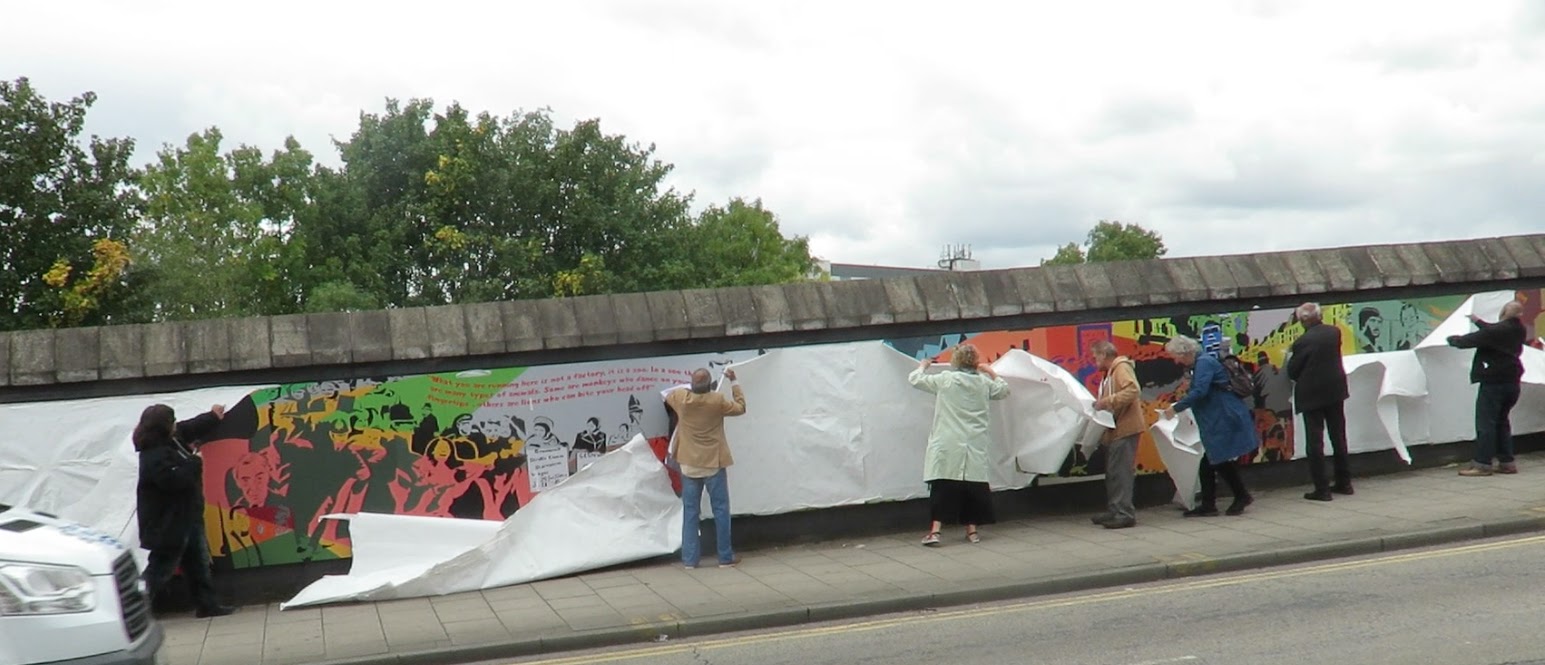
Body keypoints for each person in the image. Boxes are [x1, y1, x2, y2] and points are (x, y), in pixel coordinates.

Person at [134, 403, 236, 618]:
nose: (175, 425)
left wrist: (212, 417)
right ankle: (133, 609)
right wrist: (194, 462)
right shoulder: (154, 454)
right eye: (171, 422)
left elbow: (190, 427)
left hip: (185, 517)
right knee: (159, 570)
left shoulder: (171, 439)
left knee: (197, 563)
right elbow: (172, 481)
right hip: (168, 524)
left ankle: (207, 604)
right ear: (163, 427)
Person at [907, 344, 1010, 545]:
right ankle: (972, 532)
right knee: (971, 486)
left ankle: (935, 532)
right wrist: (990, 371)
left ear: (956, 361)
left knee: (943, 487)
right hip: (974, 442)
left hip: (948, 441)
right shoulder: (983, 383)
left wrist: (923, 366)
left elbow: (915, 380)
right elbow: (1003, 390)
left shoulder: (946, 379)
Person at [1162, 336, 1259, 517]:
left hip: (1223, 416)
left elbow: (1200, 391)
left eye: (1176, 355)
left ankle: (1231, 498)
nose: (1175, 360)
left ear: (1185, 352)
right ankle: (1222, 500)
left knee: (1215, 459)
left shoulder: (1204, 363)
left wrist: (1176, 408)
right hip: (1217, 416)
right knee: (1215, 460)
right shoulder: (1200, 363)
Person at [665, 367, 747, 568]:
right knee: (720, 510)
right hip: (713, 463)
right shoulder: (717, 401)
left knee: (690, 512)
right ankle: (725, 557)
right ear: (710, 385)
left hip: (689, 466)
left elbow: (668, 396)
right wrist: (734, 381)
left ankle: (690, 560)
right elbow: (740, 407)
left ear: (692, 386)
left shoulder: (681, 400)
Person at [1448, 301, 1528, 476]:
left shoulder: (1496, 332)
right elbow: (1492, 331)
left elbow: (1467, 341)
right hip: (1512, 382)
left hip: (1494, 383)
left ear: (1503, 313)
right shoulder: (1519, 329)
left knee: (1486, 424)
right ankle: (1507, 462)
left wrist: (1451, 339)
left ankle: (1482, 464)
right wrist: (1477, 321)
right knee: (1502, 422)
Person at [1286, 302, 1354, 501]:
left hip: (1312, 395)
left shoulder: (1301, 343)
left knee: (1315, 442)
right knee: (1338, 436)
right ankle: (1345, 482)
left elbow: (1293, 371)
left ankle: (1322, 489)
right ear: (1320, 316)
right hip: (1335, 390)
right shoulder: (1334, 333)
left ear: (1302, 321)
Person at [1090, 340, 1142, 529]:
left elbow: (1133, 390)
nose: (1094, 360)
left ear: (1104, 355)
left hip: (1125, 428)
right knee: (1114, 472)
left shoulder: (1120, 368)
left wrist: (1107, 401)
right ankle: (1115, 509)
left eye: (1095, 356)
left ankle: (1124, 513)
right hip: (1117, 429)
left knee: (1120, 473)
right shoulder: (1111, 372)